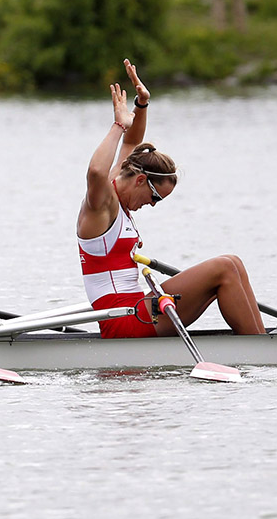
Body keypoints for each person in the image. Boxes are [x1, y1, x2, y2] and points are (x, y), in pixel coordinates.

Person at [76, 59, 265, 339]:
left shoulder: (120, 191)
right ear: (140, 180)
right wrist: (118, 125)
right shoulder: (102, 206)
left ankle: (260, 340)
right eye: (155, 197)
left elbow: (131, 143)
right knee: (223, 268)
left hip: (139, 309)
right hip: (124, 320)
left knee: (233, 262)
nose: (152, 205)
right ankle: (260, 351)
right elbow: (94, 171)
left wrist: (141, 105)